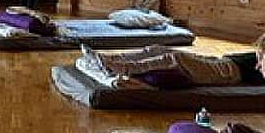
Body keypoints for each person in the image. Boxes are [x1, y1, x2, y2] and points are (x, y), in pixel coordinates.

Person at [80, 44, 242, 86]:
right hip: (221, 60)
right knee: (157, 49)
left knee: (175, 58)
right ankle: (111, 58)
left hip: (227, 72)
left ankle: (123, 68)